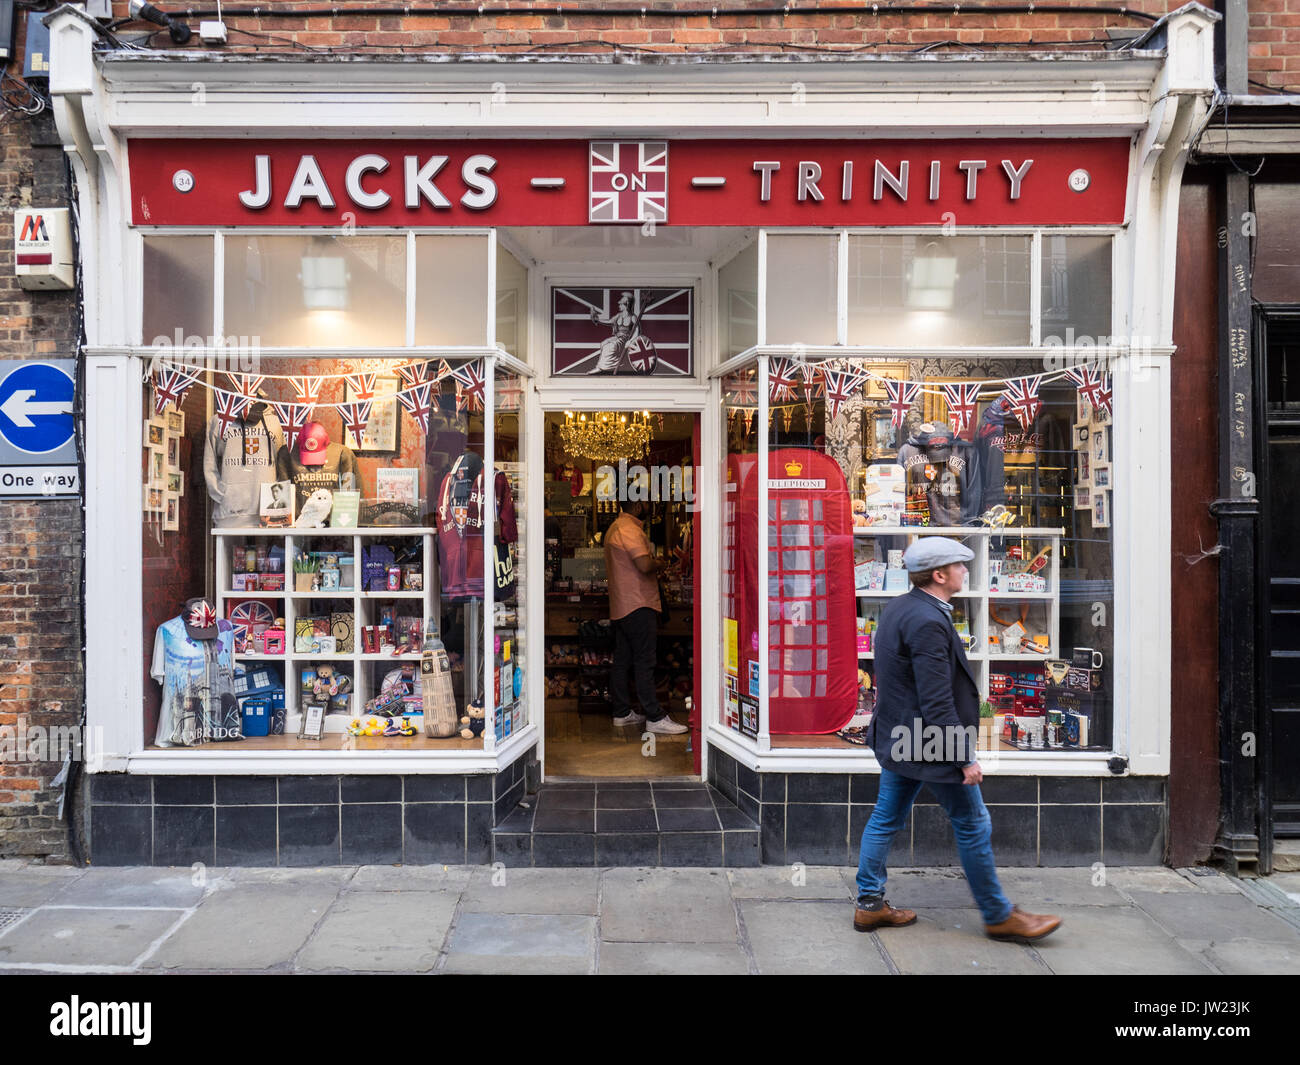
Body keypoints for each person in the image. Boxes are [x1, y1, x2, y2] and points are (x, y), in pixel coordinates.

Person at [855, 536, 1061, 943]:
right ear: (939, 574)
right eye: (960, 566)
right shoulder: (928, 620)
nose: (967, 571)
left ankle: (869, 904)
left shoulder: (903, 607)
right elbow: (936, 700)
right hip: (928, 743)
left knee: (886, 818)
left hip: (901, 737)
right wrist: (964, 758)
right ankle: (999, 915)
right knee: (972, 822)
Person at [603, 498, 687, 735]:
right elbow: (643, 565)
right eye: (648, 502)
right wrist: (659, 563)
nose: (652, 506)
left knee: (622, 661)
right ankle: (654, 716)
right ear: (638, 505)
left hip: (621, 604)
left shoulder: (615, 528)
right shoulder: (629, 529)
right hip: (637, 603)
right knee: (644, 661)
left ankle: (621, 712)